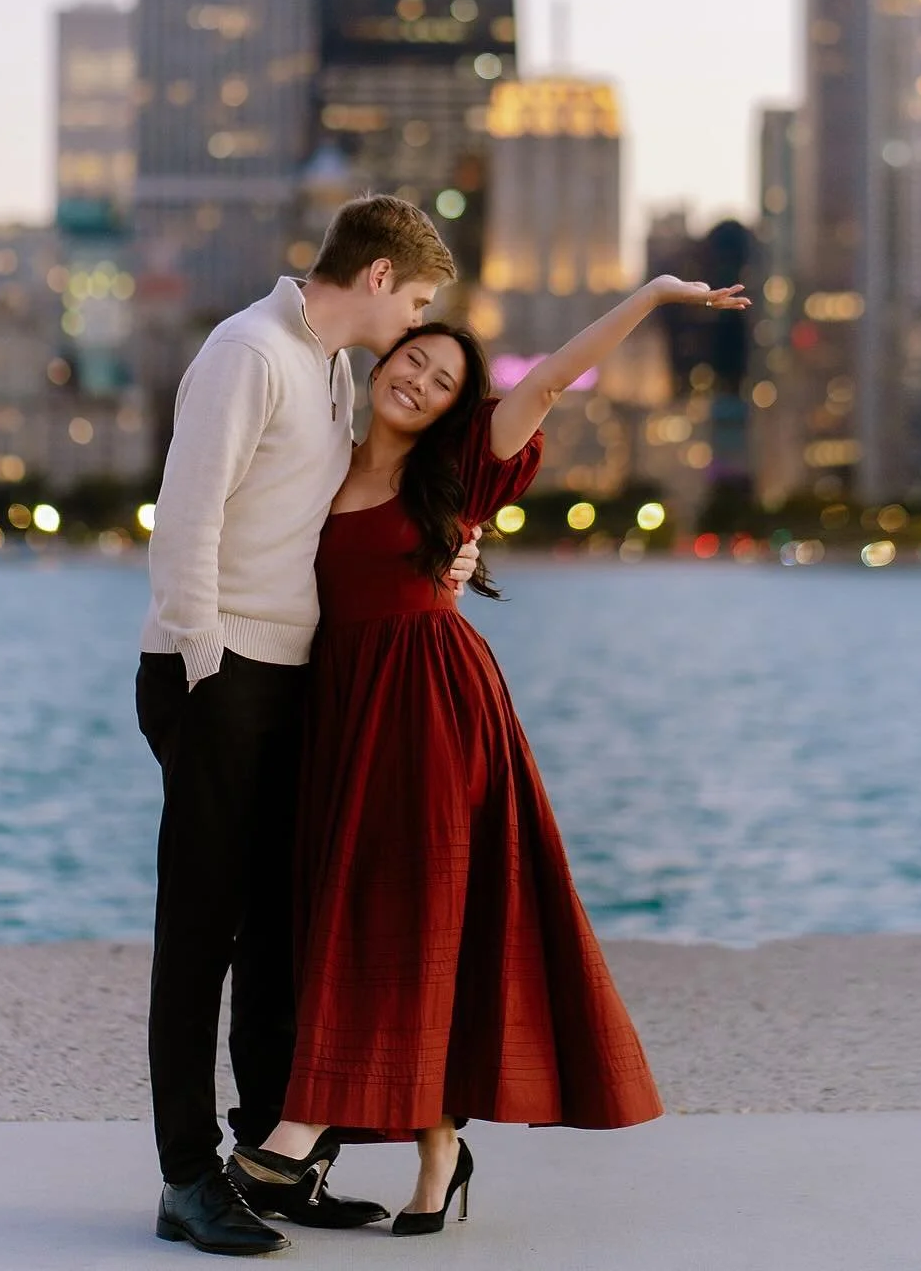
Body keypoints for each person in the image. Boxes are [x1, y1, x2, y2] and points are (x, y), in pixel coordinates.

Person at [232, 271, 750, 1233]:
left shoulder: (459, 467)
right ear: (381, 361)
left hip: (434, 704)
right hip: (345, 710)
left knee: (410, 907)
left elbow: (550, 381)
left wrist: (656, 296)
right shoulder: (319, 460)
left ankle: (302, 1125)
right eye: (414, 363)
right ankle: (439, 1153)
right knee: (405, 914)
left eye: (441, 384)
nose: (420, 385)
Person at [136, 195, 482, 1257]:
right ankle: (189, 1179)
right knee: (202, 936)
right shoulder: (248, 352)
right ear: (379, 279)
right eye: (418, 298)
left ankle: (270, 1162)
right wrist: (204, 674)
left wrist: (449, 559)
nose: (417, 320)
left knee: (283, 934)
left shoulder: (332, 370)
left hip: (293, 679)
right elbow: (185, 521)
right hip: (219, 673)